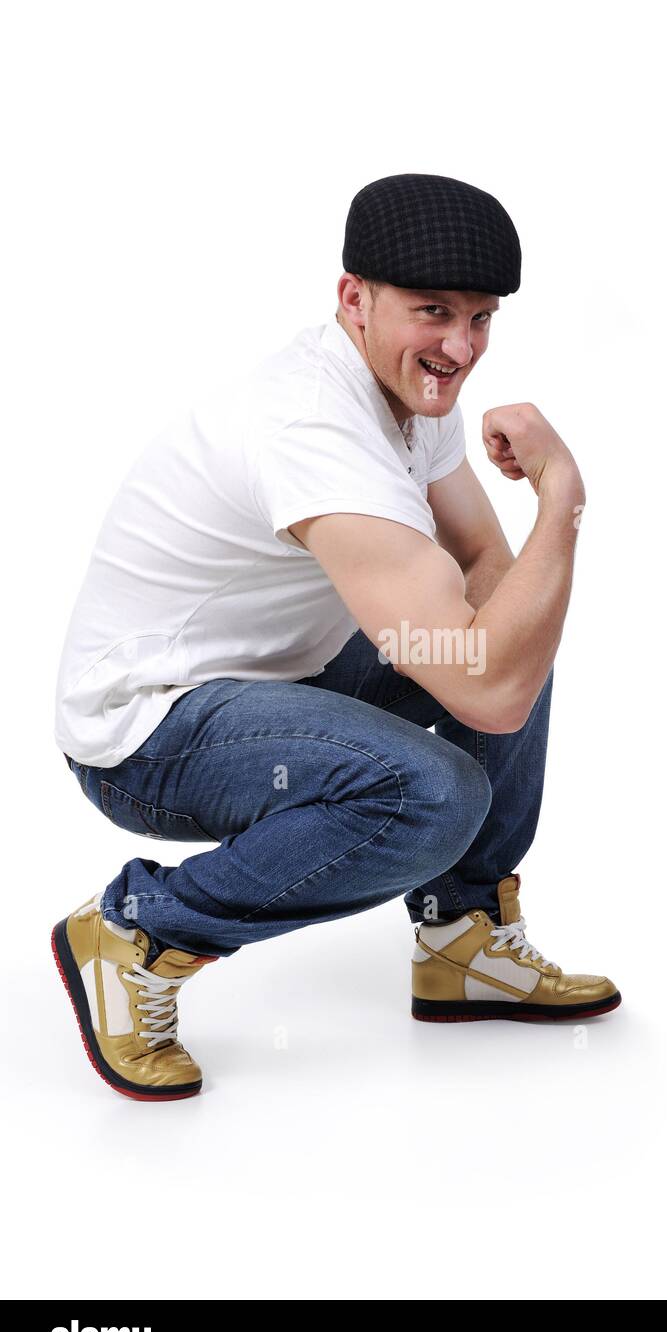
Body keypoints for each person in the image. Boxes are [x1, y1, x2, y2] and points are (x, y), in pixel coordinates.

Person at [52, 172, 621, 1103]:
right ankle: (138, 932)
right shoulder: (311, 426)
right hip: (148, 736)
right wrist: (562, 497)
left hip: (283, 682)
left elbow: (484, 564)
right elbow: (486, 690)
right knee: (434, 794)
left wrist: (497, 623)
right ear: (353, 298)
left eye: (480, 319)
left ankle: (461, 937)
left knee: (516, 634)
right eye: (432, 311)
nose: (458, 348)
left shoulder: (408, 390)